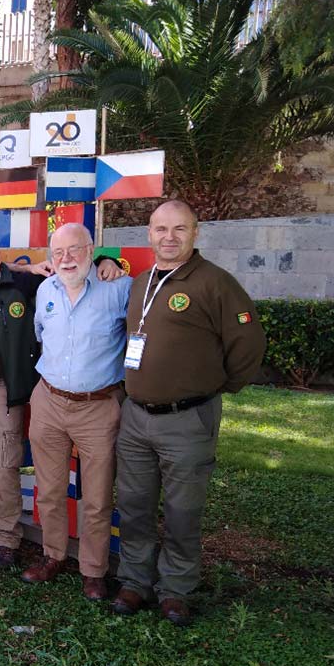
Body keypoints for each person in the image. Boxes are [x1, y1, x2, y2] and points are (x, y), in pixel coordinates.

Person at [112, 200, 265, 625]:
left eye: (180, 229)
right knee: (135, 503)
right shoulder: (141, 283)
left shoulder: (215, 282)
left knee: (183, 509)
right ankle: (134, 580)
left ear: (195, 233)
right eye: (161, 228)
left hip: (187, 419)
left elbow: (248, 343)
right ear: (149, 233)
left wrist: (220, 385)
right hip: (136, 416)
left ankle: (175, 588)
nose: (169, 237)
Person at [0, 232, 123, 569]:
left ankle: (7, 539)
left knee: (4, 466)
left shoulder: (26, 286)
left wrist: (104, 260)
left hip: (4, 392)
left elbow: (73, 265)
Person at [24, 223, 132, 600]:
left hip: (98, 406)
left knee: (98, 497)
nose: (66, 259)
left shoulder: (117, 289)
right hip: (49, 400)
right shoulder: (44, 289)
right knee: (50, 490)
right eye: (58, 252)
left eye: (75, 250)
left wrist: (110, 261)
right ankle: (53, 555)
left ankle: (93, 570)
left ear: (91, 250)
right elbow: (41, 335)